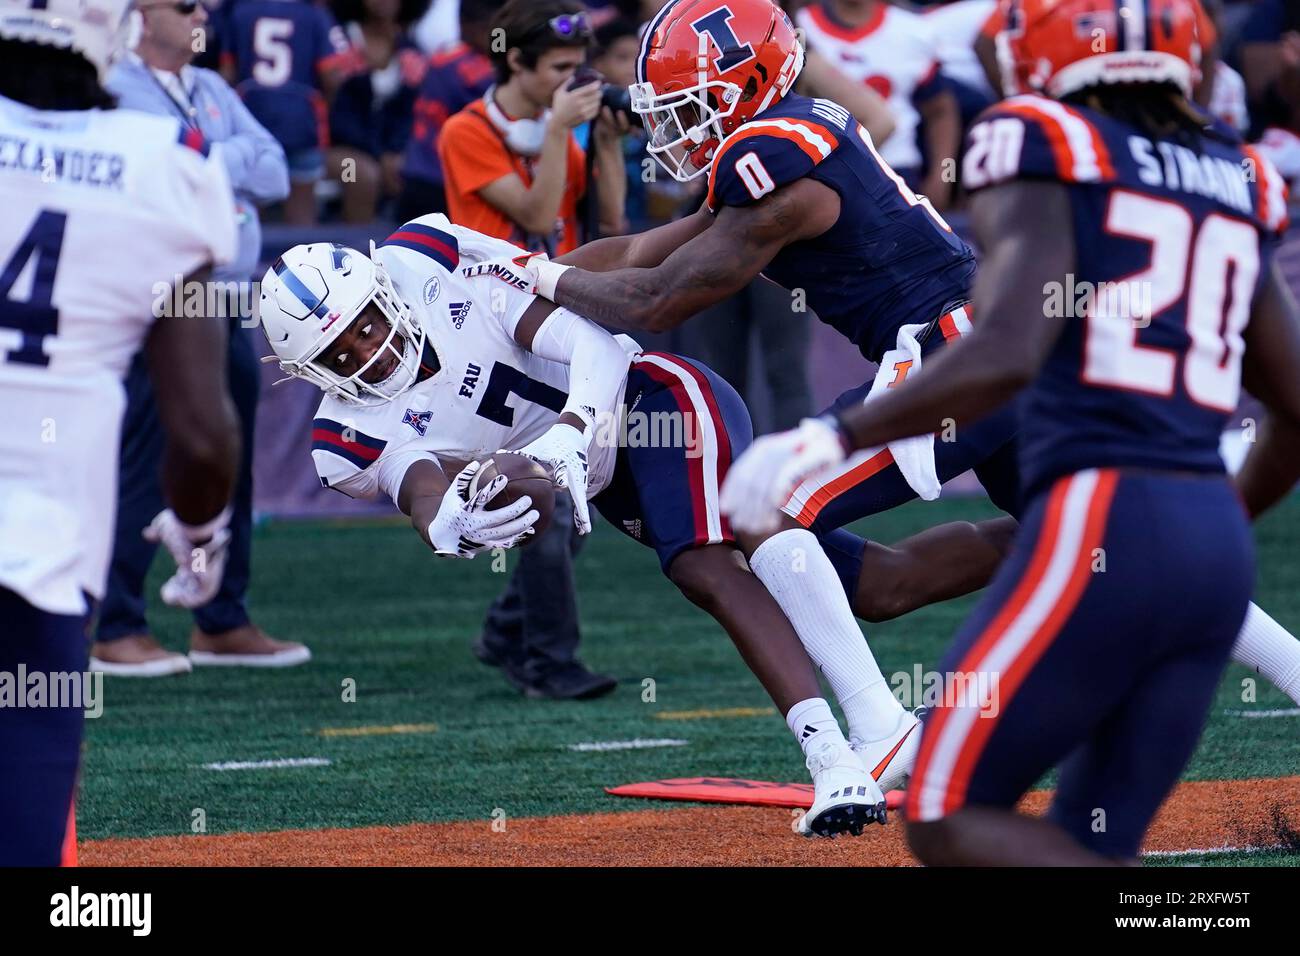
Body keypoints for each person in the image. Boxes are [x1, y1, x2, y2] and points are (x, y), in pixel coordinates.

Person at [470, 0, 1300, 769]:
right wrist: (518, 267)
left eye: (688, 105)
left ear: (749, 83)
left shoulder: (774, 161)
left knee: (767, 506)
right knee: (900, 582)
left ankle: (880, 732)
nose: (676, 128)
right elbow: (650, 250)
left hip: (952, 352)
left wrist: (539, 287)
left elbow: (660, 298)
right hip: (1003, 352)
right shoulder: (789, 138)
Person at [722, 0, 1300, 864]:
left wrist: (835, 438)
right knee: (1093, 838)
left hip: (1099, 509)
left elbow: (1003, 344)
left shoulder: (1042, 141)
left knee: (950, 817)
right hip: (1207, 528)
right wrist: (1226, 516)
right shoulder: (1236, 171)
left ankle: (878, 732)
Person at [257, 217, 898, 837]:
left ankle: (835, 758)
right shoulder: (342, 441)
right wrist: (450, 520)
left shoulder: (432, 261)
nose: (369, 352)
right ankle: (998, 564)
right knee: (880, 585)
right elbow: (420, 488)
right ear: (312, 374)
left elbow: (593, 343)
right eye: (341, 354)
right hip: (611, 479)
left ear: (383, 291)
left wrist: (569, 430)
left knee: (701, 564)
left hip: (651, 404)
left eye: (366, 326)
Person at [0, 0, 241, 863]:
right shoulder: (162, 163)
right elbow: (204, 435)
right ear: (119, 33)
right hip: (35, 560)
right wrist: (201, 539)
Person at [89, 0, 308, 675]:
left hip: (227, 293)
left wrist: (203, 160)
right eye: (184, 4)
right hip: (156, 294)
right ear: (140, 14)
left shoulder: (211, 88)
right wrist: (224, 165)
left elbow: (277, 169)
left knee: (227, 451)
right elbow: (153, 178)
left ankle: (220, 617)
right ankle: (114, 623)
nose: (202, 12)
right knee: (146, 452)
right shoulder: (113, 85)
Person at [435, 0, 627, 701]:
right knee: (540, 491)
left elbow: (605, 222)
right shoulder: (466, 131)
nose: (575, 81)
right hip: (485, 330)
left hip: (552, 321)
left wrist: (603, 146)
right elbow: (537, 215)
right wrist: (557, 134)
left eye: (580, 67)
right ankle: (546, 659)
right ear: (514, 61)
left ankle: (507, 629)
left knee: (575, 495)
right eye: (559, 68)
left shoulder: (564, 128)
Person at [796, 0, 962, 206]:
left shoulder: (914, 30)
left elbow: (942, 112)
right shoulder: (799, 28)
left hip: (897, 170)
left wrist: (945, 177)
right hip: (823, 174)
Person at [218, 0, 355, 224]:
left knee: (250, 209)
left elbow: (227, 74)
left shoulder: (241, 11)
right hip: (301, 122)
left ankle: (251, 257)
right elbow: (331, 75)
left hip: (252, 119)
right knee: (301, 214)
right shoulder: (314, 15)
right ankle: (306, 259)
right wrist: (323, 103)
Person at [325, 0, 427, 222]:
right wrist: (380, 155)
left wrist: (395, 151)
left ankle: (405, 247)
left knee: (416, 169)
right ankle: (353, 250)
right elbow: (339, 116)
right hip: (335, 151)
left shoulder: (410, 48)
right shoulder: (339, 39)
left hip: (387, 153)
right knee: (361, 176)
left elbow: (409, 115)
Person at [398, 0, 495, 222]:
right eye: (488, 29)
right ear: (465, 26)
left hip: (417, 171)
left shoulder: (442, 55)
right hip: (443, 179)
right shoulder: (473, 68)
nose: (495, 38)